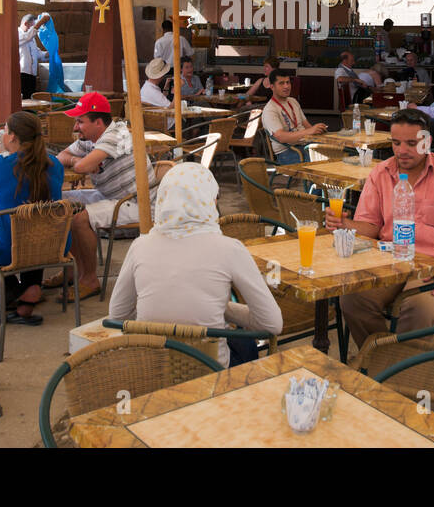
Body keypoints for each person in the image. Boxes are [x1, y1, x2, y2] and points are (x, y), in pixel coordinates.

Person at [326, 108, 434, 346]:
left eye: (412, 143)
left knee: (421, 309)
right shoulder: (381, 173)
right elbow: (371, 226)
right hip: (390, 259)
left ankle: (397, 369)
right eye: (396, 143)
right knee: (352, 301)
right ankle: (383, 363)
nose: (402, 151)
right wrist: (345, 224)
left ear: (427, 142)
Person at [107, 163, 283, 366]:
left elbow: (118, 316)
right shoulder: (229, 249)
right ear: (209, 201)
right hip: (211, 373)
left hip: (152, 372)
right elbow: (272, 325)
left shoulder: (139, 246)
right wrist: (224, 310)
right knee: (244, 342)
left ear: (164, 200)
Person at [55, 92, 154, 301]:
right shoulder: (91, 138)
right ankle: (75, 269)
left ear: (98, 122)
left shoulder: (116, 135)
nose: (75, 127)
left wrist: (78, 162)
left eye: (80, 121)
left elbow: (83, 166)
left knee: (79, 218)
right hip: (111, 195)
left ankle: (89, 279)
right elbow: (60, 158)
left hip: (136, 202)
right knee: (60, 204)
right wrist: (78, 161)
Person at [0, 112, 64, 326]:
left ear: (12, 137)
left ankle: (11, 288)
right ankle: (30, 293)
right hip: (52, 244)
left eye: (5, 130)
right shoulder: (54, 164)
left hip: (12, 247)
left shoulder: (2, 167)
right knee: (35, 225)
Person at [261, 69, 327, 165]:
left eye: (288, 82)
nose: (286, 86)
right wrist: (309, 131)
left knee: (338, 153)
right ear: (272, 87)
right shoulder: (270, 109)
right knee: (325, 161)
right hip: (287, 153)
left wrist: (318, 129)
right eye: (281, 83)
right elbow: (281, 137)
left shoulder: (293, 101)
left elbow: (308, 126)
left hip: (305, 146)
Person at [17, 13, 50, 98]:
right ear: (25, 24)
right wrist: (40, 22)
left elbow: (37, 53)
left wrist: (49, 53)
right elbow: (27, 37)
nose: (35, 30)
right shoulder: (17, 33)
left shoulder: (31, 38)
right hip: (22, 74)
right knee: (23, 98)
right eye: (32, 27)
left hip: (32, 74)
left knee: (31, 97)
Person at [35, 14, 69, 94]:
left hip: (53, 55)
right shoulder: (41, 31)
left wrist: (36, 26)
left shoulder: (45, 25)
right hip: (52, 56)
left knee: (56, 70)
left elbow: (47, 17)